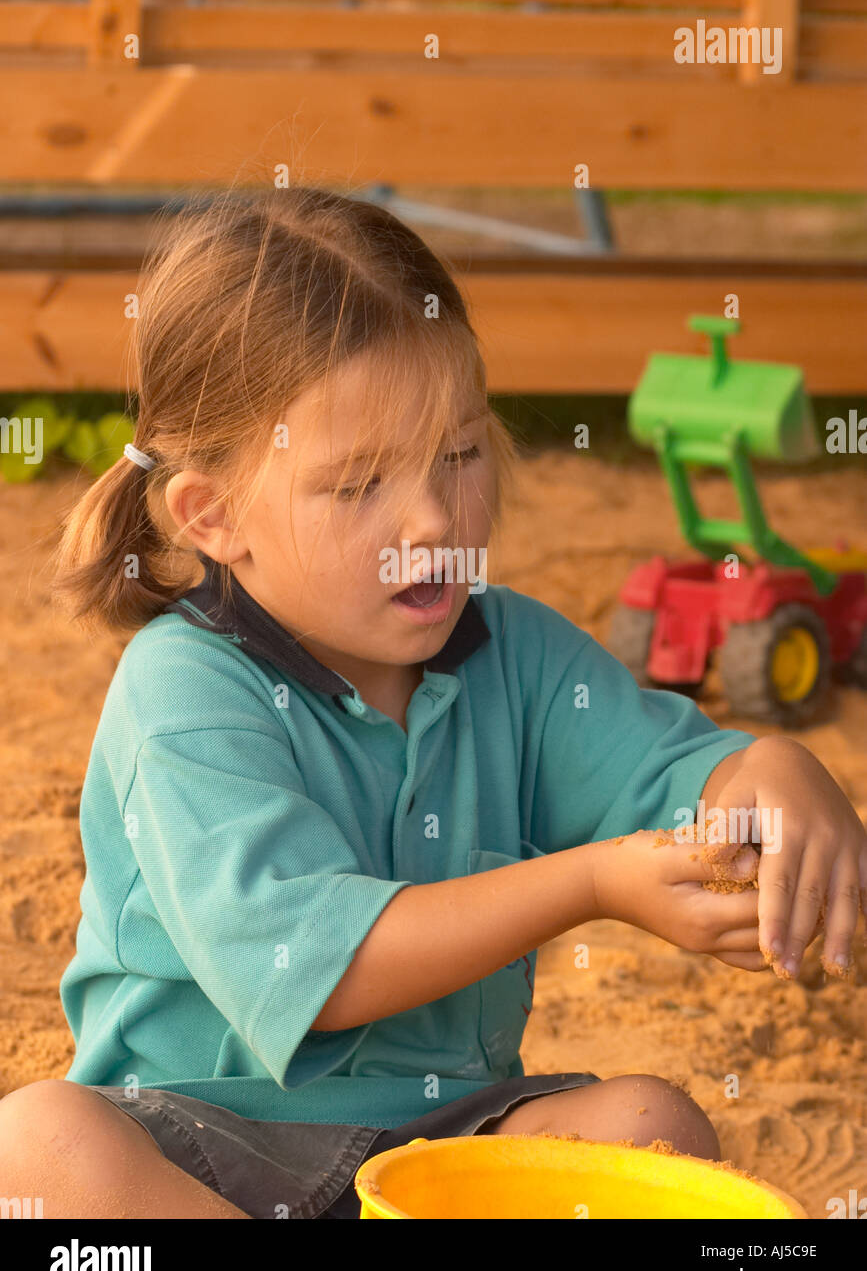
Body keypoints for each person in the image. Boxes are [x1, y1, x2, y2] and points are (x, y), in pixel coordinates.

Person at [1, 187, 863, 1219]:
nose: (433, 515)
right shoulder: (181, 693)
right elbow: (326, 968)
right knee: (38, 1145)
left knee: (653, 1125)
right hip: (204, 1145)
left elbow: (672, 779)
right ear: (215, 514)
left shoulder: (521, 653)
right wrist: (591, 881)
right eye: (360, 483)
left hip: (451, 1135)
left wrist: (768, 775)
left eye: (458, 455)